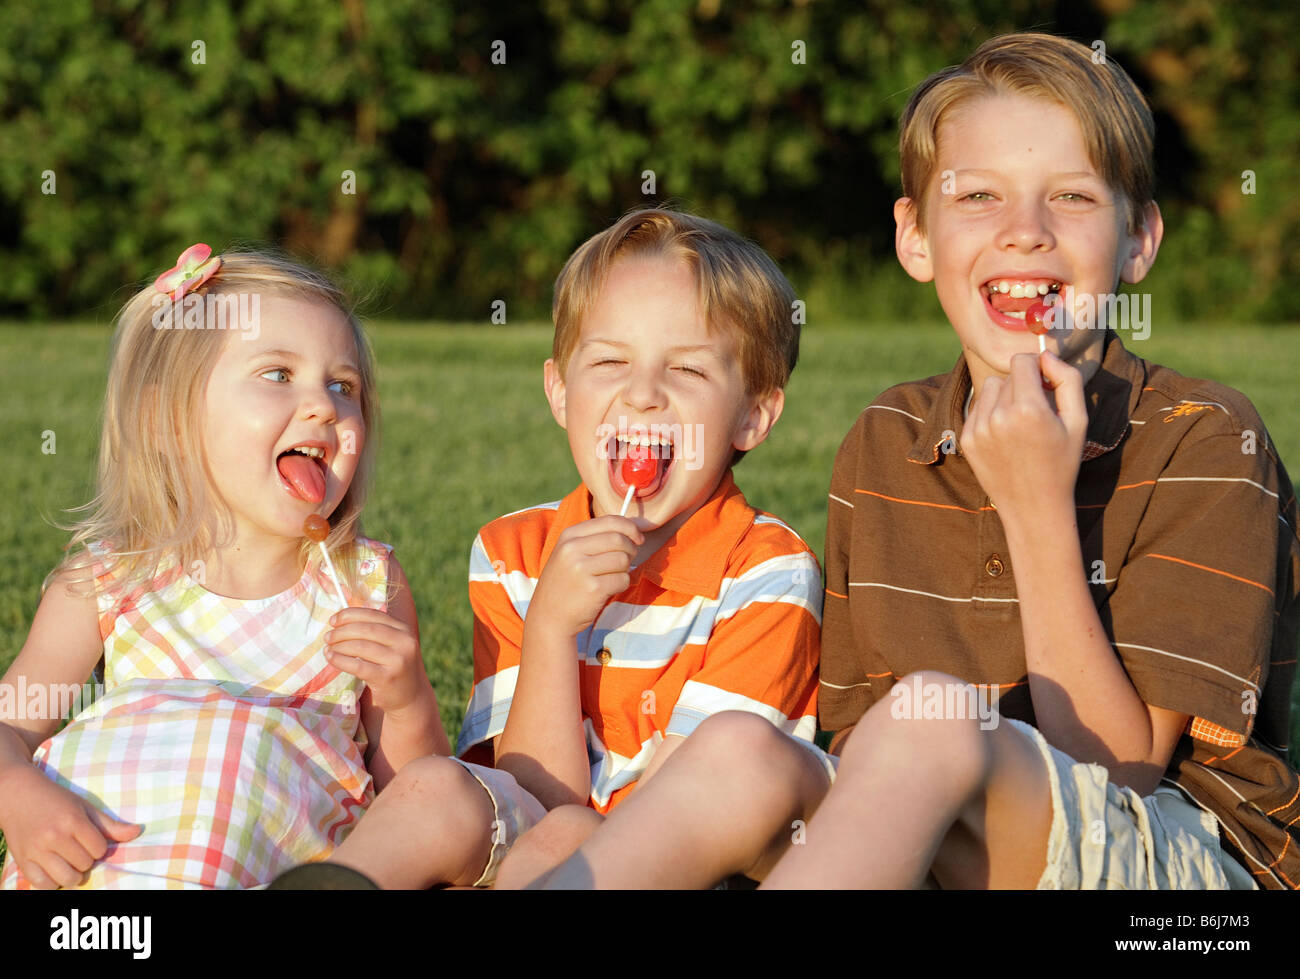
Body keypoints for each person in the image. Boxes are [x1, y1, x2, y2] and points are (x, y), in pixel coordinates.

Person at [533, 32, 1300, 890]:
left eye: (1073, 197)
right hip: (947, 850)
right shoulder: (886, 438)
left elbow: (1118, 768)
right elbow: (866, 758)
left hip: (1184, 885)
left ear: (1138, 240)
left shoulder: (1205, 438)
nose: (1025, 232)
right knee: (741, 750)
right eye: (978, 196)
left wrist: (1037, 504)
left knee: (929, 717)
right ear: (916, 238)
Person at [324, 208, 826, 889]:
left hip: (679, 861)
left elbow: (693, 809)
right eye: (611, 360)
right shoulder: (511, 552)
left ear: (753, 415)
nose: (643, 393)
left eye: (687, 369)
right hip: (544, 829)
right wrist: (551, 626)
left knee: (564, 837)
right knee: (435, 786)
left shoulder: (766, 568)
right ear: (559, 390)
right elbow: (528, 791)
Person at [0, 245, 447, 889]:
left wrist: (406, 703)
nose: (324, 405)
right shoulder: (107, 583)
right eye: (277, 375)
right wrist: (19, 794)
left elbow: (416, 800)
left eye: (343, 386)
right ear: (167, 419)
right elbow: (10, 726)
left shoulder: (364, 587)